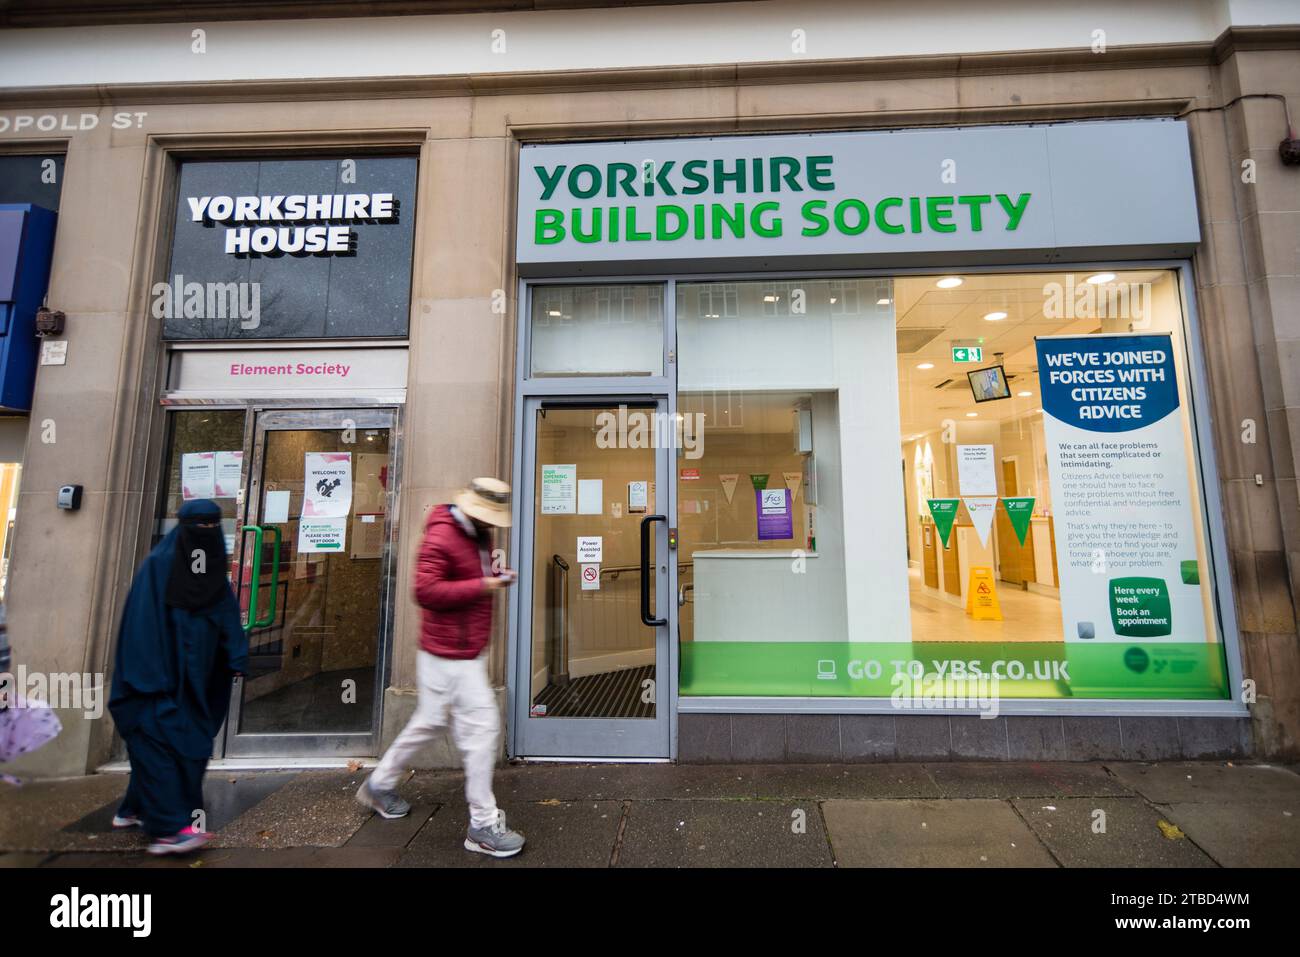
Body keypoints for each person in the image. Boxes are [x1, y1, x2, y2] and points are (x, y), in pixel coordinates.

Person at [357, 477, 524, 858]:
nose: (494, 524)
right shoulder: (443, 535)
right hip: (450, 654)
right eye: (490, 517)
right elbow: (425, 591)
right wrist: (484, 586)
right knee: (483, 728)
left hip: (458, 650)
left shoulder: (477, 535)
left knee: (428, 722)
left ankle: (379, 784)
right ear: (475, 512)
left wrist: (493, 579)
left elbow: (465, 580)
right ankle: (482, 824)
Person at [108, 498, 247, 855]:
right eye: (198, 525)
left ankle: (133, 808)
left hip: (197, 682)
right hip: (155, 683)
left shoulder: (211, 572)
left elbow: (227, 616)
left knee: (186, 743)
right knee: (161, 745)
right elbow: (140, 629)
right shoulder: (158, 568)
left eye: (211, 525)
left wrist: (236, 656)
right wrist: (153, 681)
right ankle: (170, 829)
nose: (206, 533)